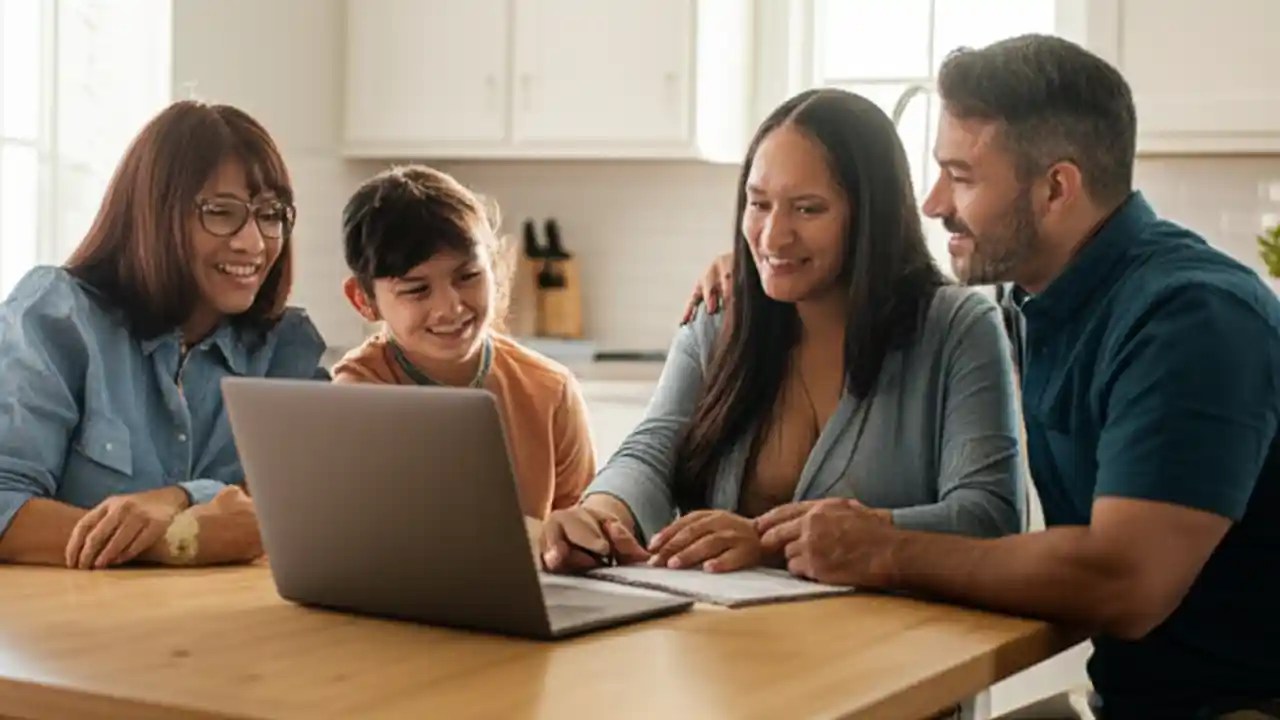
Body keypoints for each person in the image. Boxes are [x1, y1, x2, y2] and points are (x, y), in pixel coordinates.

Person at [723, 36, 1278, 719]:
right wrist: (752, 273)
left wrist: (884, 550)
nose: (932, 204)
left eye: (960, 176)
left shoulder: (1193, 317)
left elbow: (1124, 583)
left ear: (1055, 188)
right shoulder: (1034, 302)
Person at [540, 88, 1025, 576]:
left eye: (808, 209)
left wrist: (766, 541)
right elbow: (651, 452)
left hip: (891, 644)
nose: (773, 237)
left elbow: (988, 517)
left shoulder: (958, 328)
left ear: (869, 216)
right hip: (727, 640)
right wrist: (599, 516)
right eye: (759, 204)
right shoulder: (720, 312)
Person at [0, 101, 327, 569]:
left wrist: (177, 498)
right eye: (221, 212)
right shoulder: (59, 316)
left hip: (233, 631)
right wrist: (175, 541)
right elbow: (4, 502)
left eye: (270, 214)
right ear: (154, 214)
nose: (253, 242)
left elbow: (305, 502)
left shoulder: (285, 350)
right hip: (72, 631)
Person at [331, 164, 595, 520]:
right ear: (363, 300)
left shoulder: (551, 391)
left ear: (495, 268)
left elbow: (581, 528)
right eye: (417, 290)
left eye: (468, 276)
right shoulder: (356, 393)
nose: (450, 307)